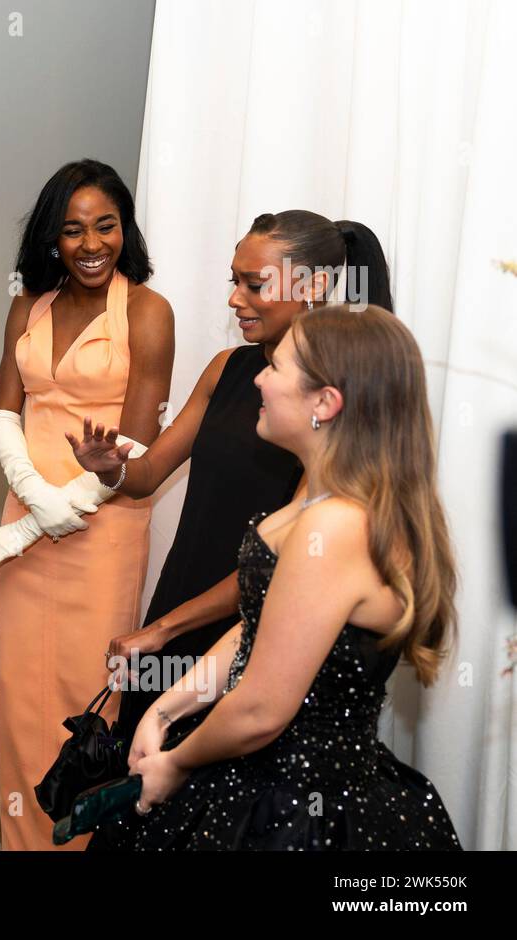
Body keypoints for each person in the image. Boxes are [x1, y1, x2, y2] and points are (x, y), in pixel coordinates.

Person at [91, 304, 461, 850]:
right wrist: (168, 709)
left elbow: (262, 710)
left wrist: (176, 763)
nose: (259, 377)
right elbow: (260, 624)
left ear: (324, 403)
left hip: (299, 802)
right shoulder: (319, 497)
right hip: (257, 773)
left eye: (278, 368)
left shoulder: (337, 526)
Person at [69, 210, 394, 749]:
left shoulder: (333, 403)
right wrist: (114, 468)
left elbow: (283, 563)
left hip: (258, 618)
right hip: (186, 595)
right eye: (233, 281)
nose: (235, 298)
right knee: (148, 767)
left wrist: (164, 629)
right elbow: (148, 474)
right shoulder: (227, 368)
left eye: (255, 283)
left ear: (314, 286)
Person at [0, 159, 174, 850]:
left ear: (125, 228)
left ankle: (85, 842)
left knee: (90, 697)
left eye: (106, 226)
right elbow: (4, 412)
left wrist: (63, 506)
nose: (92, 244)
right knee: (18, 696)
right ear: (50, 239)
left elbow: (141, 438)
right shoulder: (26, 305)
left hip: (104, 528)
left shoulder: (149, 312)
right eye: (73, 231)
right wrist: (33, 501)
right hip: (24, 526)